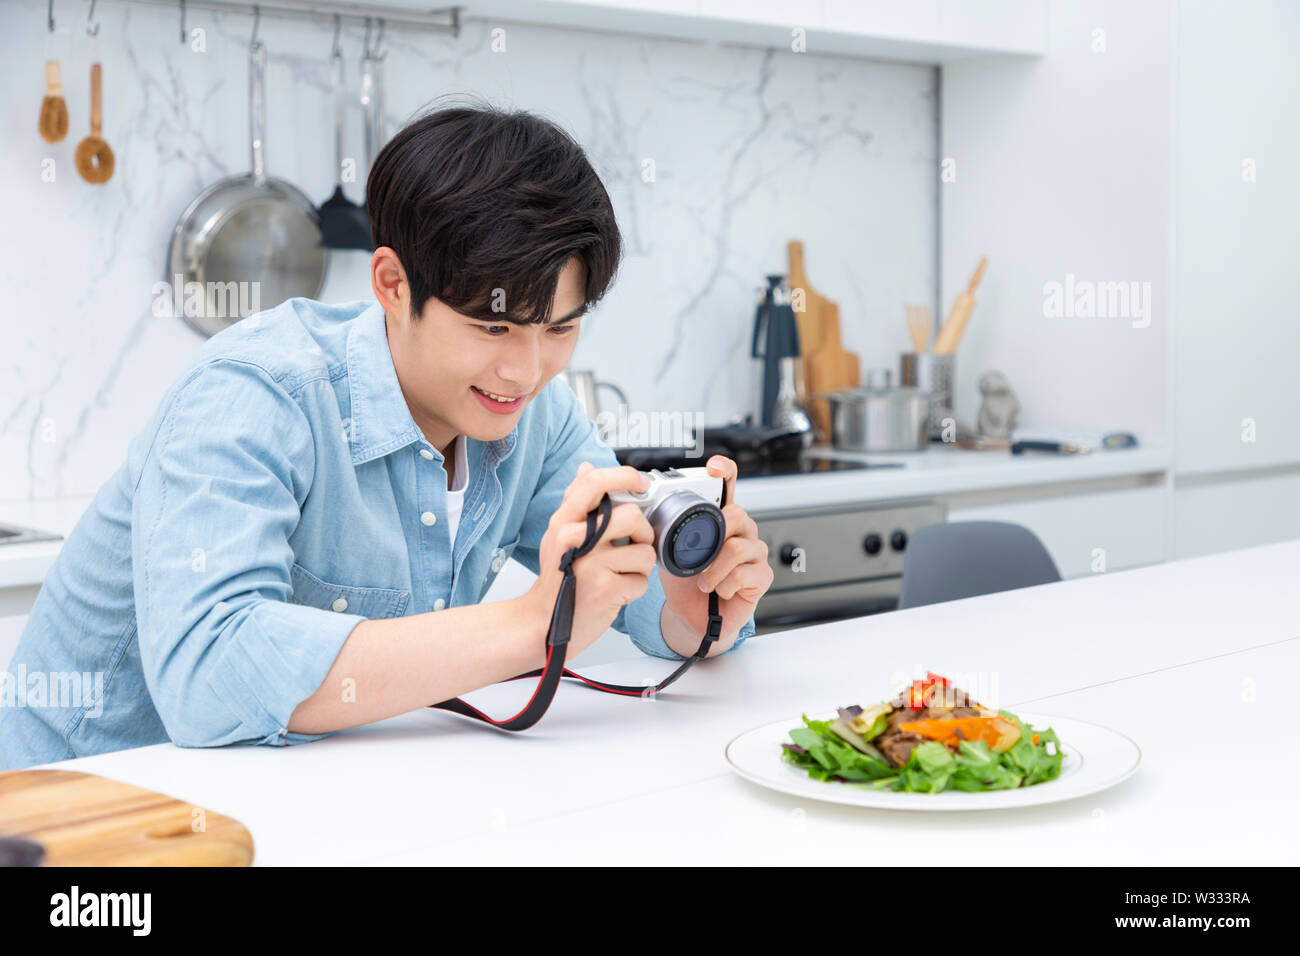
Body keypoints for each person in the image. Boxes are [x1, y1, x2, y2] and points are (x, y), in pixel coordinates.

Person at [0, 105, 773, 769]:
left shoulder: (533, 409)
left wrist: (690, 606)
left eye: (560, 328)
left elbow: (636, 598)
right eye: (492, 326)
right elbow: (207, 674)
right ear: (392, 285)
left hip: (326, 797)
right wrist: (529, 623)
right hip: (86, 814)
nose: (527, 367)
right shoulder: (253, 393)